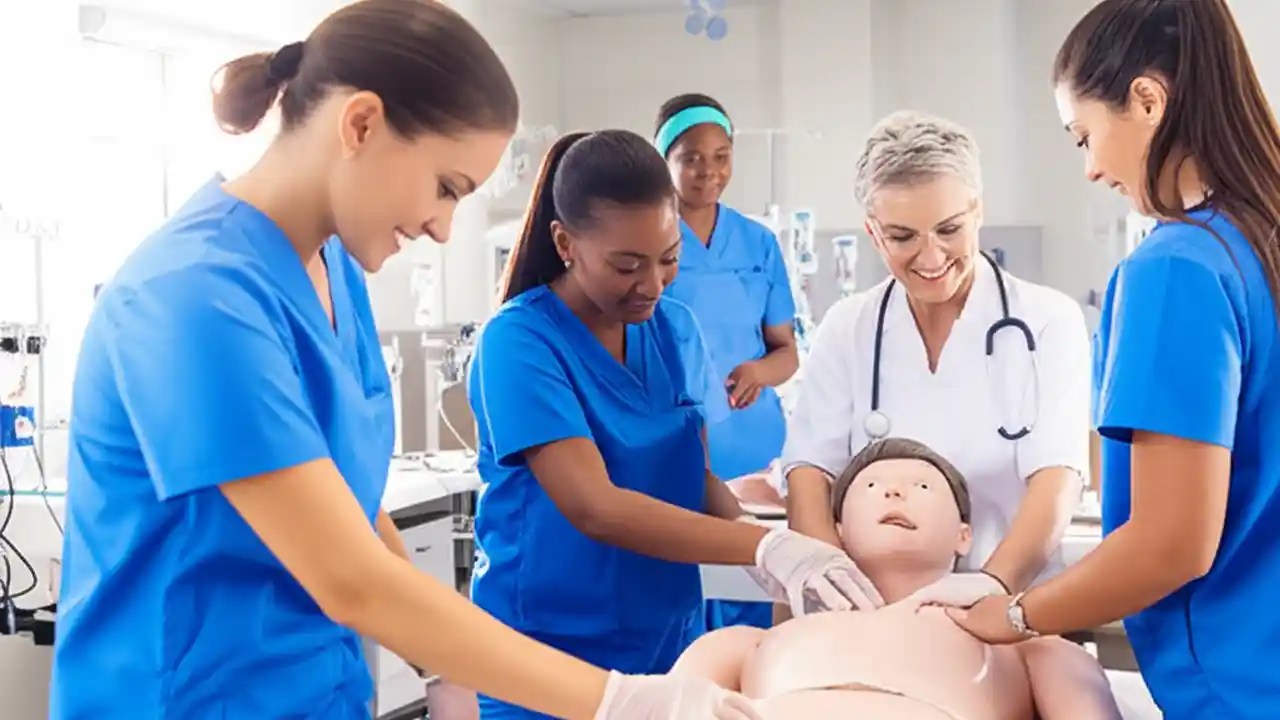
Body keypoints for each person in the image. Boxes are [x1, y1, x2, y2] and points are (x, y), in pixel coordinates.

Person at [48, 2, 761, 718]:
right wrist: (619, 702)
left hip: (316, 694)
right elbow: (349, 578)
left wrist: (449, 664)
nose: (443, 228)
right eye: (445, 187)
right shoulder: (196, 297)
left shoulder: (333, 274)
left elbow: (356, 518)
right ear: (359, 125)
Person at [467, 128, 878, 719]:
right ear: (565, 242)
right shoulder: (520, 341)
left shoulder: (675, 329)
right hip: (545, 655)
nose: (652, 285)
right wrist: (763, 546)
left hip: (667, 642)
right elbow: (594, 507)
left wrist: (770, 556)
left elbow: (693, 475)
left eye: (668, 259)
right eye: (627, 266)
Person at [945, 2, 1280, 718]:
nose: (1093, 168)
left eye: (1084, 137)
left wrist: (1011, 617)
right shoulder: (1265, 245)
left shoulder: (1180, 267)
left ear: (1148, 100)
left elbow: (1171, 543)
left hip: (1238, 683)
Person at [782, 109, 1092, 616]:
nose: (930, 257)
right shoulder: (849, 327)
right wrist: (838, 592)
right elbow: (809, 474)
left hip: (1012, 610)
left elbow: (1058, 479)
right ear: (873, 232)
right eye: (903, 237)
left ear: (978, 211)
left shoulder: (1046, 321)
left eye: (949, 229)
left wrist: (991, 590)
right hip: (875, 615)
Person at [671, 438, 1122, 719]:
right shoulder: (743, 644)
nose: (894, 491)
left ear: (964, 535)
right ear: (840, 531)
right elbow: (662, 709)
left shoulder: (1022, 645)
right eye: (871, 487)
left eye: (923, 487)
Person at [654, 93, 800, 631]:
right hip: (684, 445)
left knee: (767, 597)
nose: (709, 171)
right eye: (691, 157)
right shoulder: (651, 241)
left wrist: (760, 371)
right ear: (664, 159)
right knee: (697, 608)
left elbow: (786, 353)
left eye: (721, 155)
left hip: (759, 447)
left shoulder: (758, 243)